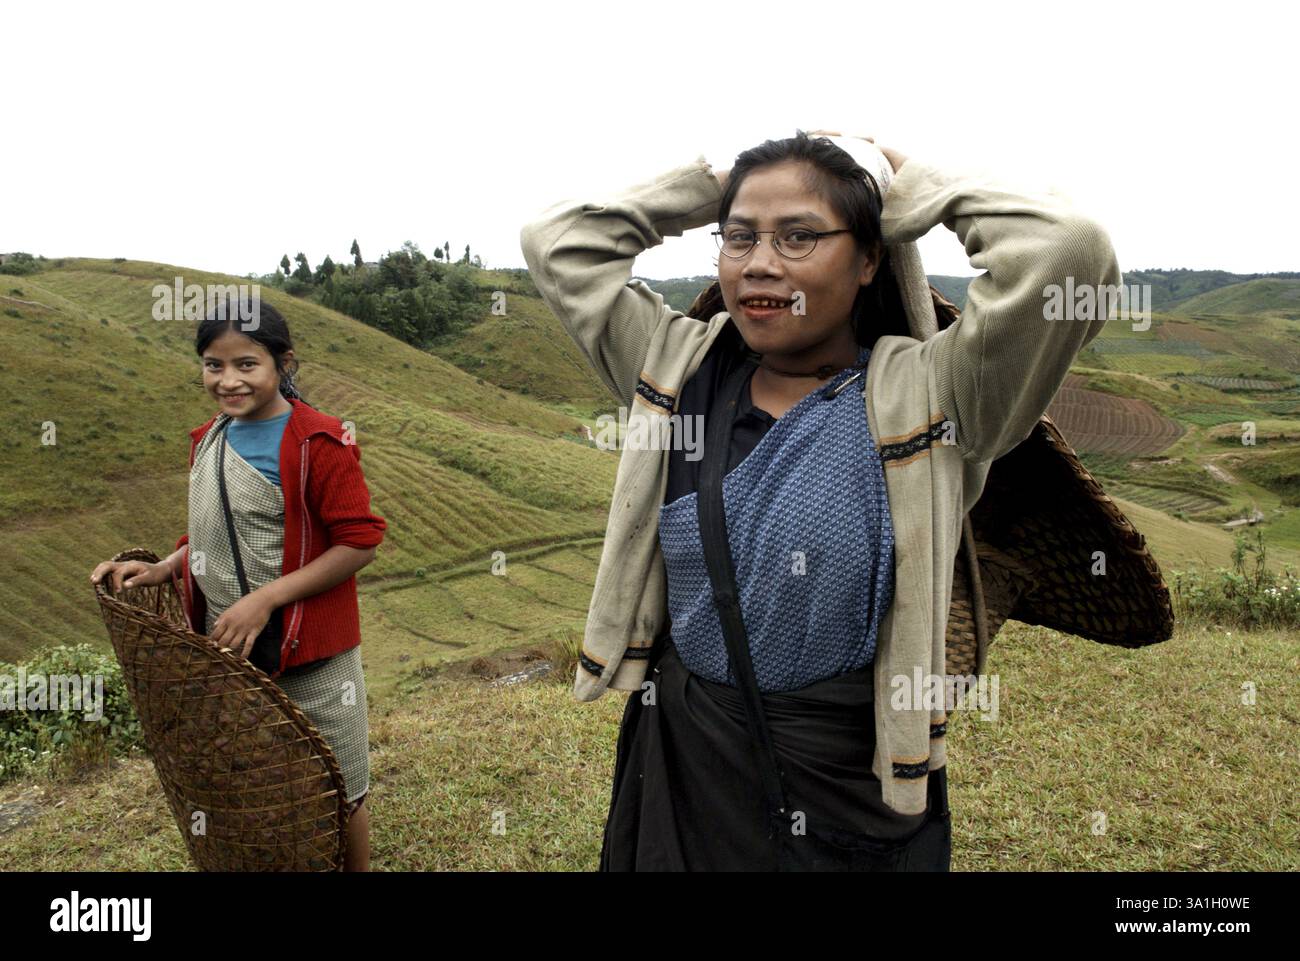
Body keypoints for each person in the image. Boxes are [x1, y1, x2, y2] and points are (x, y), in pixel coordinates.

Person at [520, 130, 1119, 870]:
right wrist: (714, 179)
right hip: (686, 752)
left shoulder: (933, 395)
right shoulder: (678, 368)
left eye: (800, 235)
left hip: (848, 771)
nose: (761, 263)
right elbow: (558, 243)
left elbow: (1071, 252)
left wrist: (909, 184)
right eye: (739, 237)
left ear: (870, 258)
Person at [90, 297, 387, 871]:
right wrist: (163, 569)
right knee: (261, 777)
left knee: (340, 779)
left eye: (246, 364)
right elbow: (214, 531)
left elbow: (360, 541)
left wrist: (265, 599)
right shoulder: (209, 440)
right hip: (229, 648)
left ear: (283, 364)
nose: (228, 380)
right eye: (213, 365)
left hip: (311, 649)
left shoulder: (318, 442)